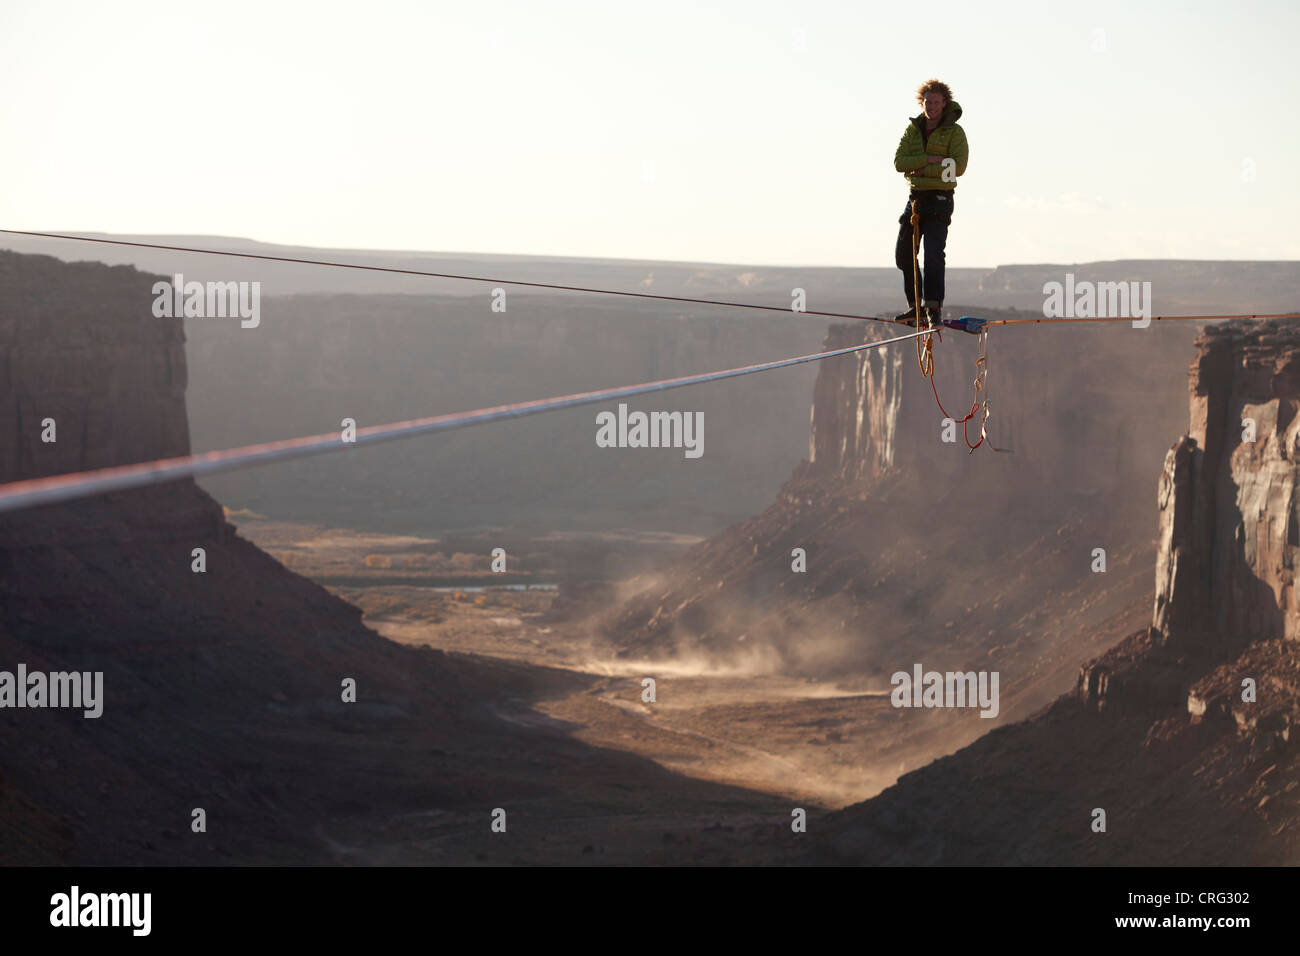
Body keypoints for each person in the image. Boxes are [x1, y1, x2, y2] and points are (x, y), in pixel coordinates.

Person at [893, 79, 968, 328]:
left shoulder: (954, 132)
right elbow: (899, 163)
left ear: (944, 103)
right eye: (928, 102)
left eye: (936, 102)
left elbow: (957, 167)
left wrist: (921, 168)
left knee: (933, 255)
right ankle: (916, 307)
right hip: (915, 199)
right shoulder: (913, 129)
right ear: (922, 102)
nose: (931, 106)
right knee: (904, 254)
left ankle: (933, 307)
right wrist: (929, 159)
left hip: (940, 199)